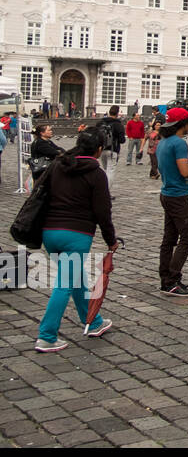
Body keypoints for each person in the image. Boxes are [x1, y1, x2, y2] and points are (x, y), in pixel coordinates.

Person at [34, 131, 121, 351]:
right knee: (64, 285)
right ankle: (46, 335)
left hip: (50, 233)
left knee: (75, 278)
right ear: (99, 149)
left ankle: (93, 321)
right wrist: (111, 240)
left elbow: (39, 192)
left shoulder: (57, 166)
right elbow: (103, 211)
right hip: (76, 235)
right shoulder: (96, 174)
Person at [157, 107, 188, 296]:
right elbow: (185, 172)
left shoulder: (163, 142)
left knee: (169, 238)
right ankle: (172, 280)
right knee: (187, 237)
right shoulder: (179, 143)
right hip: (178, 195)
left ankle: (165, 277)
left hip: (166, 193)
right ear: (182, 124)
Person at [95, 105, 126, 192]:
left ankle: (102, 189)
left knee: (105, 170)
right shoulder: (118, 124)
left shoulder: (100, 123)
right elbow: (122, 140)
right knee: (110, 171)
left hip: (101, 150)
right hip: (113, 150)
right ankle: (105, 192)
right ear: (117, 113)